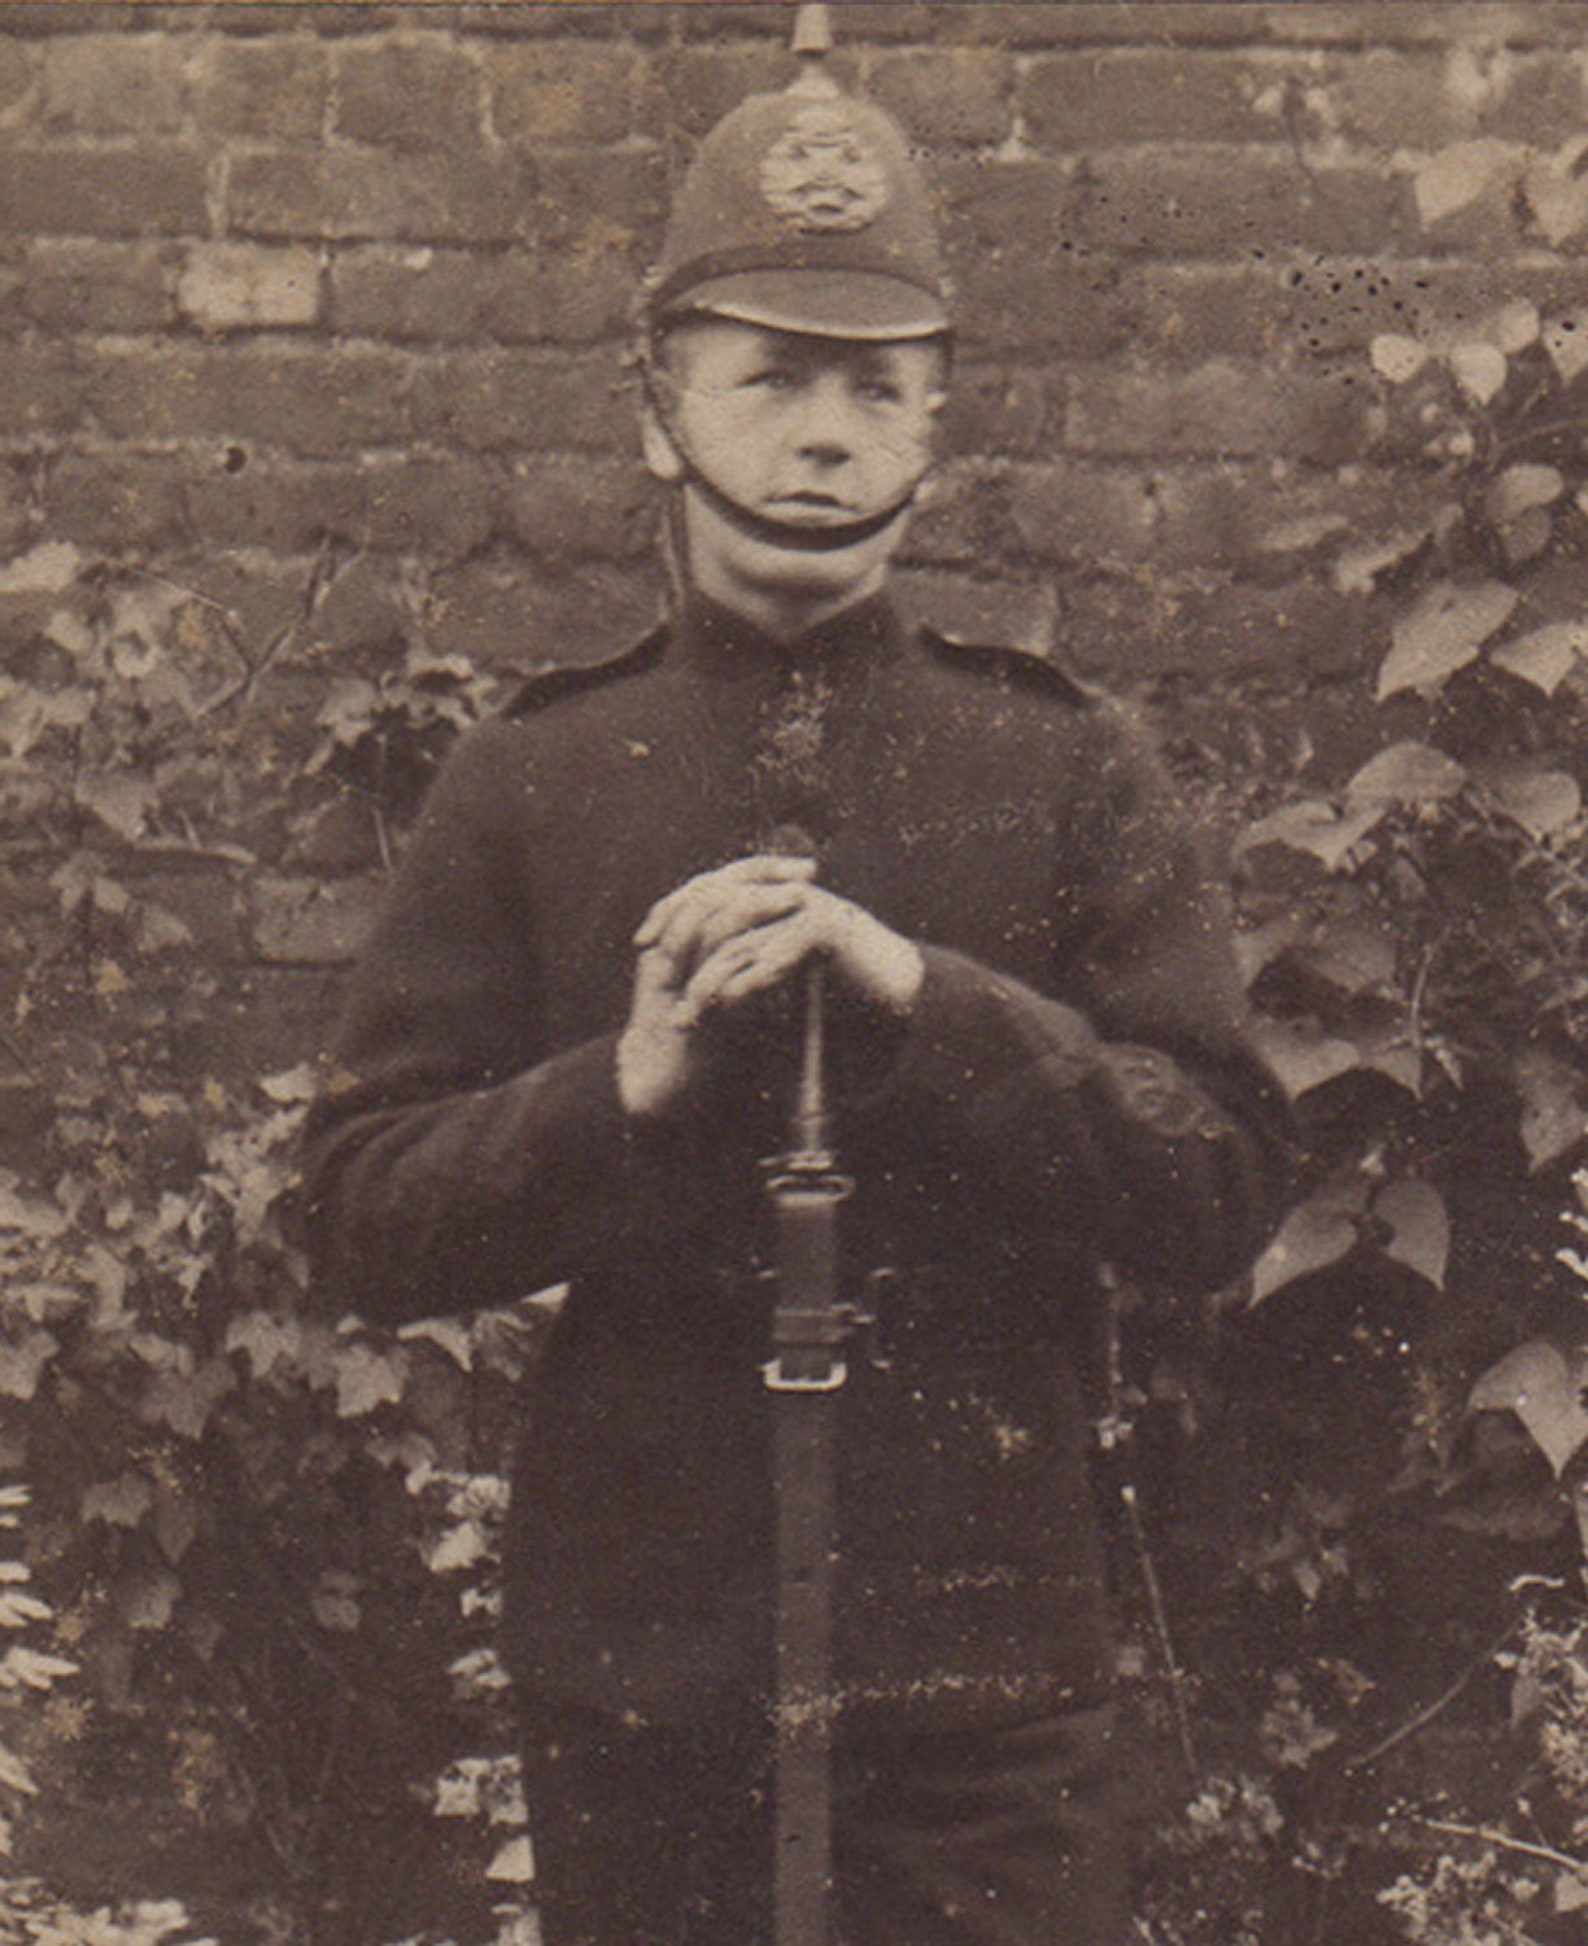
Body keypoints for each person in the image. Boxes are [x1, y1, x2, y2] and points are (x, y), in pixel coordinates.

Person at [302, 14, 1287, 1942]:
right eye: (769, 380)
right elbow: (355, 1212)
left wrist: (933, 1003)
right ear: (657, 410)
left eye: (875, 385)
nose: (823, 435)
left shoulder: (1065, 761)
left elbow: (1220, 1183)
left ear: (939, 420)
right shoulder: (537, 770)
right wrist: (628, 1088)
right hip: (645, 1668)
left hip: (980, 1681)